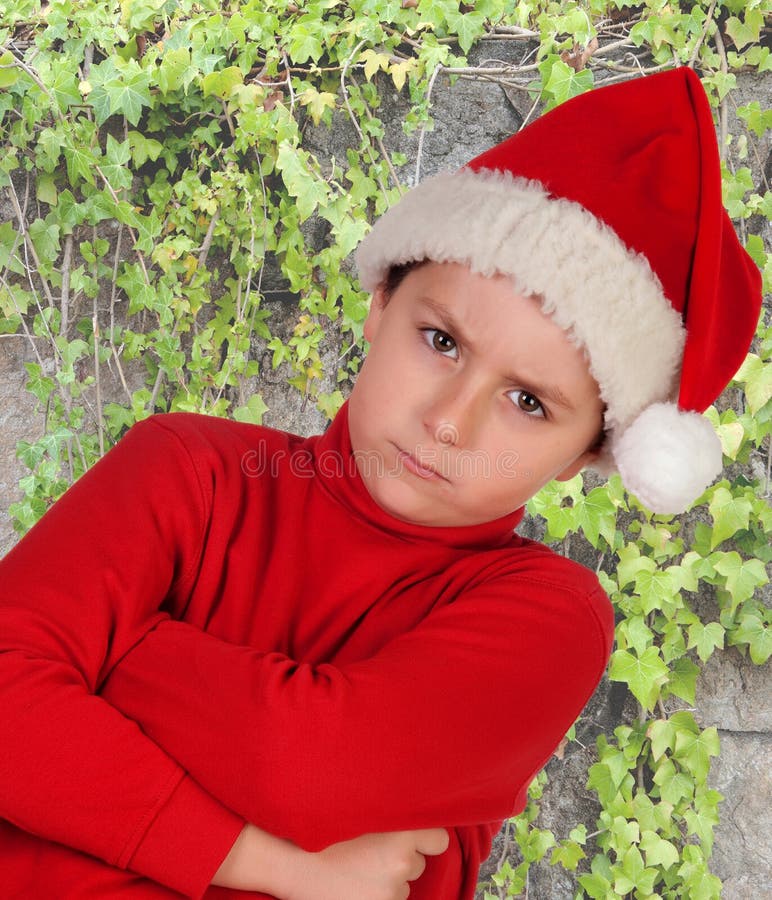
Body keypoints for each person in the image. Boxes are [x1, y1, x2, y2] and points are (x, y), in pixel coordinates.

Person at [0, 66, 761, 900]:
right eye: (441, 342)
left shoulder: (549, 616)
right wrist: (274, 864)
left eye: (528, 402)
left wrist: (111, 659)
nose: (449, 421)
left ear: (589, 453)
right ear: (380, 302)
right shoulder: (186, 466)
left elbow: (307, 770)